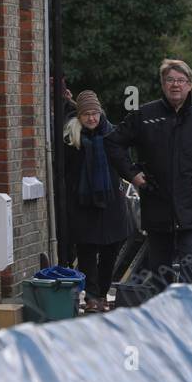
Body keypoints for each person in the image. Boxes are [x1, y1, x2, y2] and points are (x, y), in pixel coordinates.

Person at [105, 58, 192, 273]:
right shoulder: (144, 116)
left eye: (181, 80)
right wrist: (133, 175)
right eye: (170, 80)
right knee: (158, 273)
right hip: (157, 206)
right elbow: (113, 142)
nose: (176, 85)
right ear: (163, 85)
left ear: (190, 85)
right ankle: (160, 307)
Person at [62, 89, 132, 312]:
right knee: (87, 251)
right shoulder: (71, 139)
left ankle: (102, 293)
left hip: (111, 201)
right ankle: (92, 297)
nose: (91, 118)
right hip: (83, 204)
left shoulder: (112, 134)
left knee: (111, 249)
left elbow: (124, 162)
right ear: (79, 116)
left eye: (95, 113)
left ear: (101, 113)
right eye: (86, 114)